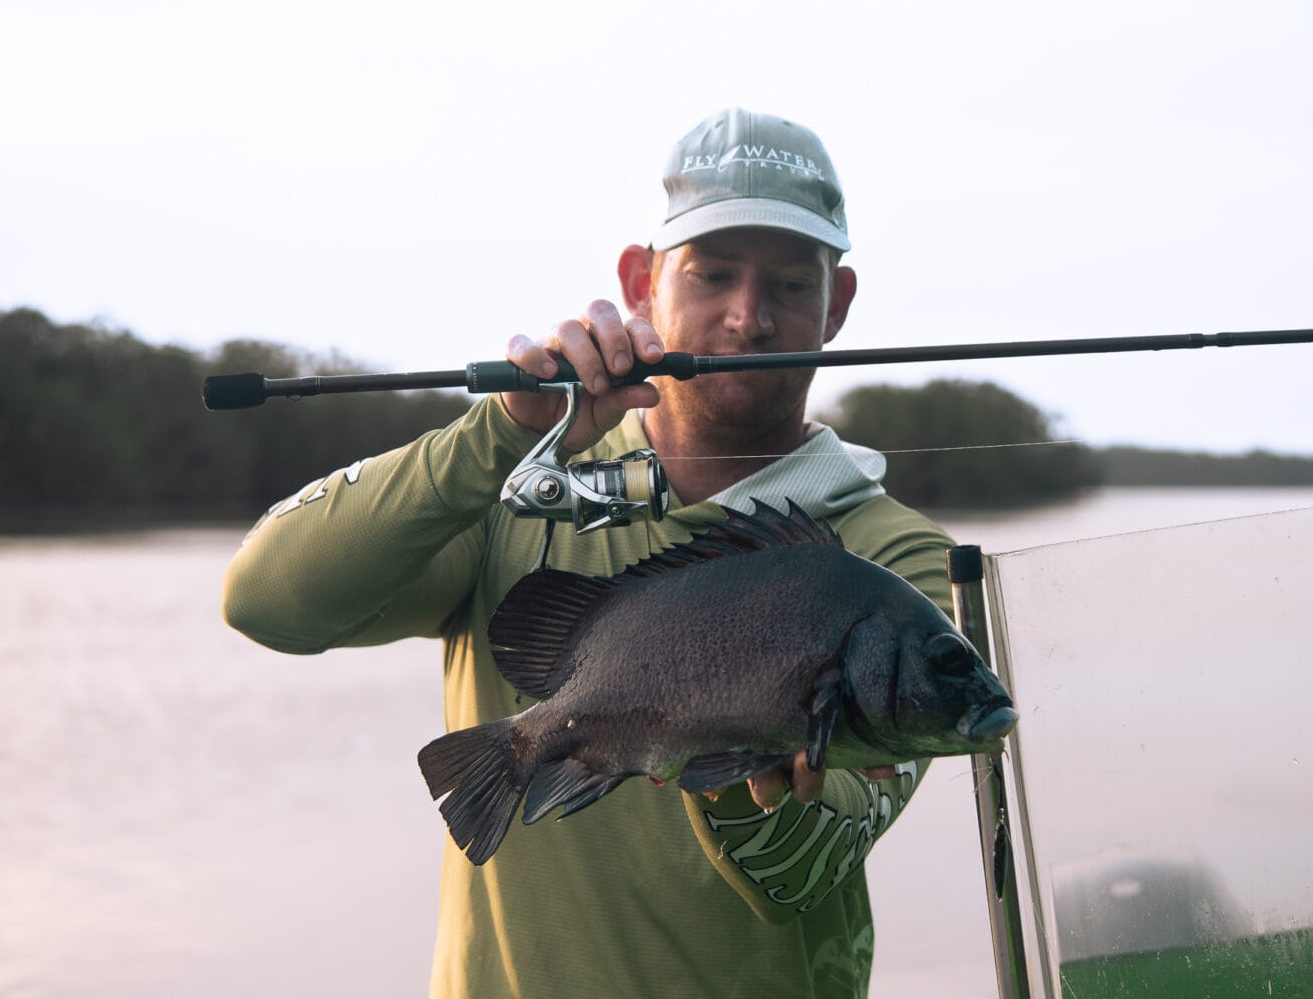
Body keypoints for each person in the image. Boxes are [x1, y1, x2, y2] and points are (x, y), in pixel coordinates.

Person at [222, 107, 957, 999]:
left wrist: (739, 757)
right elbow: (265, 602)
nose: (748, 317)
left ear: (836, 304)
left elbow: (813, 864)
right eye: (714, 273)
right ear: (641, 282)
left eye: (791, 285)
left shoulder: (899, 562)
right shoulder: (518, 483)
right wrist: (501, 431)